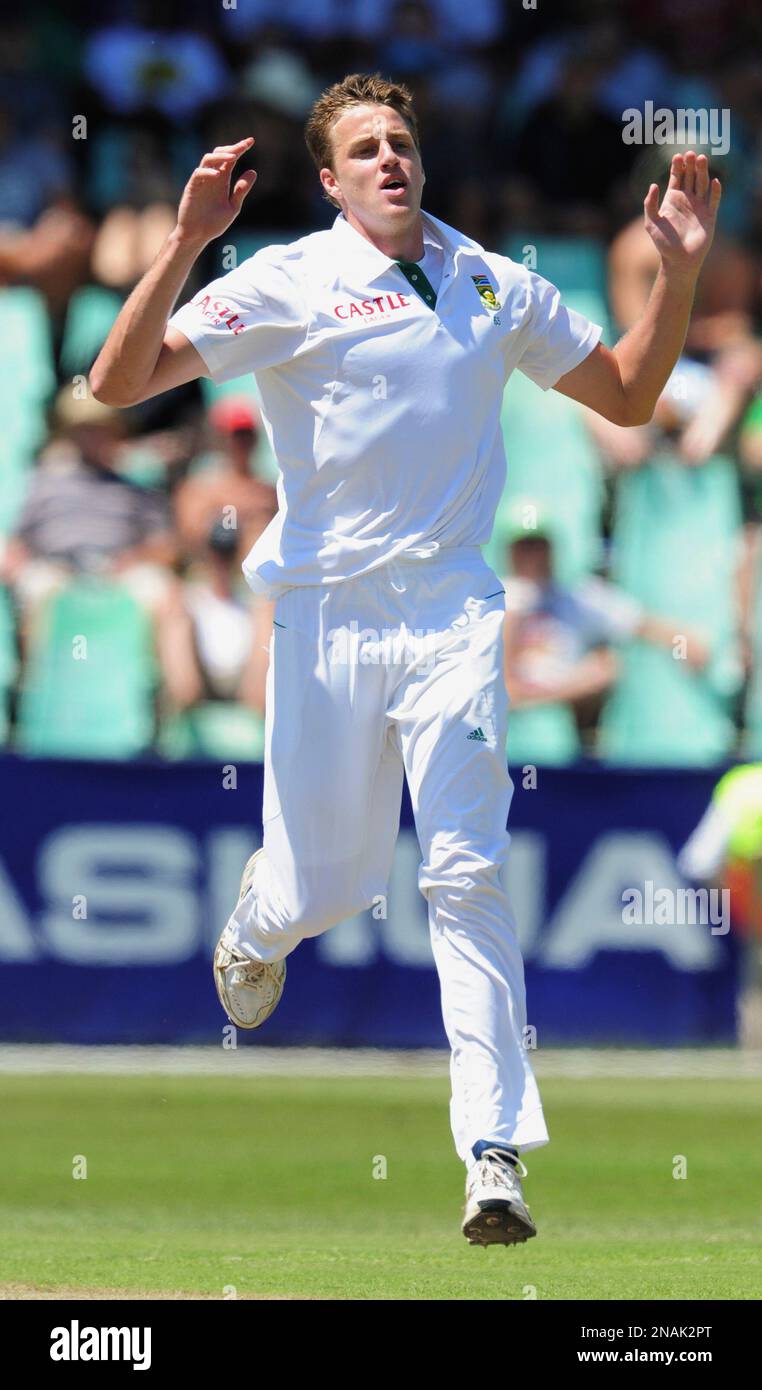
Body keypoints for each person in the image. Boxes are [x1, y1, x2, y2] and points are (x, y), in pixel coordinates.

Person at [90, 72, 721, 1247]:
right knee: (328, 888)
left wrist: (679, 274)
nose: (390, 159)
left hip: (452, 610)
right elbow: (116, 385)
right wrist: (184, 244)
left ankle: (494, 1154)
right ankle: (261, 921)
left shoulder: (494, 279)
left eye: (402, 142)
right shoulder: (286, 280)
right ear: (327, 180)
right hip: (326, 612)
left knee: (464, 872)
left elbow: (630, 397)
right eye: (364, 148)